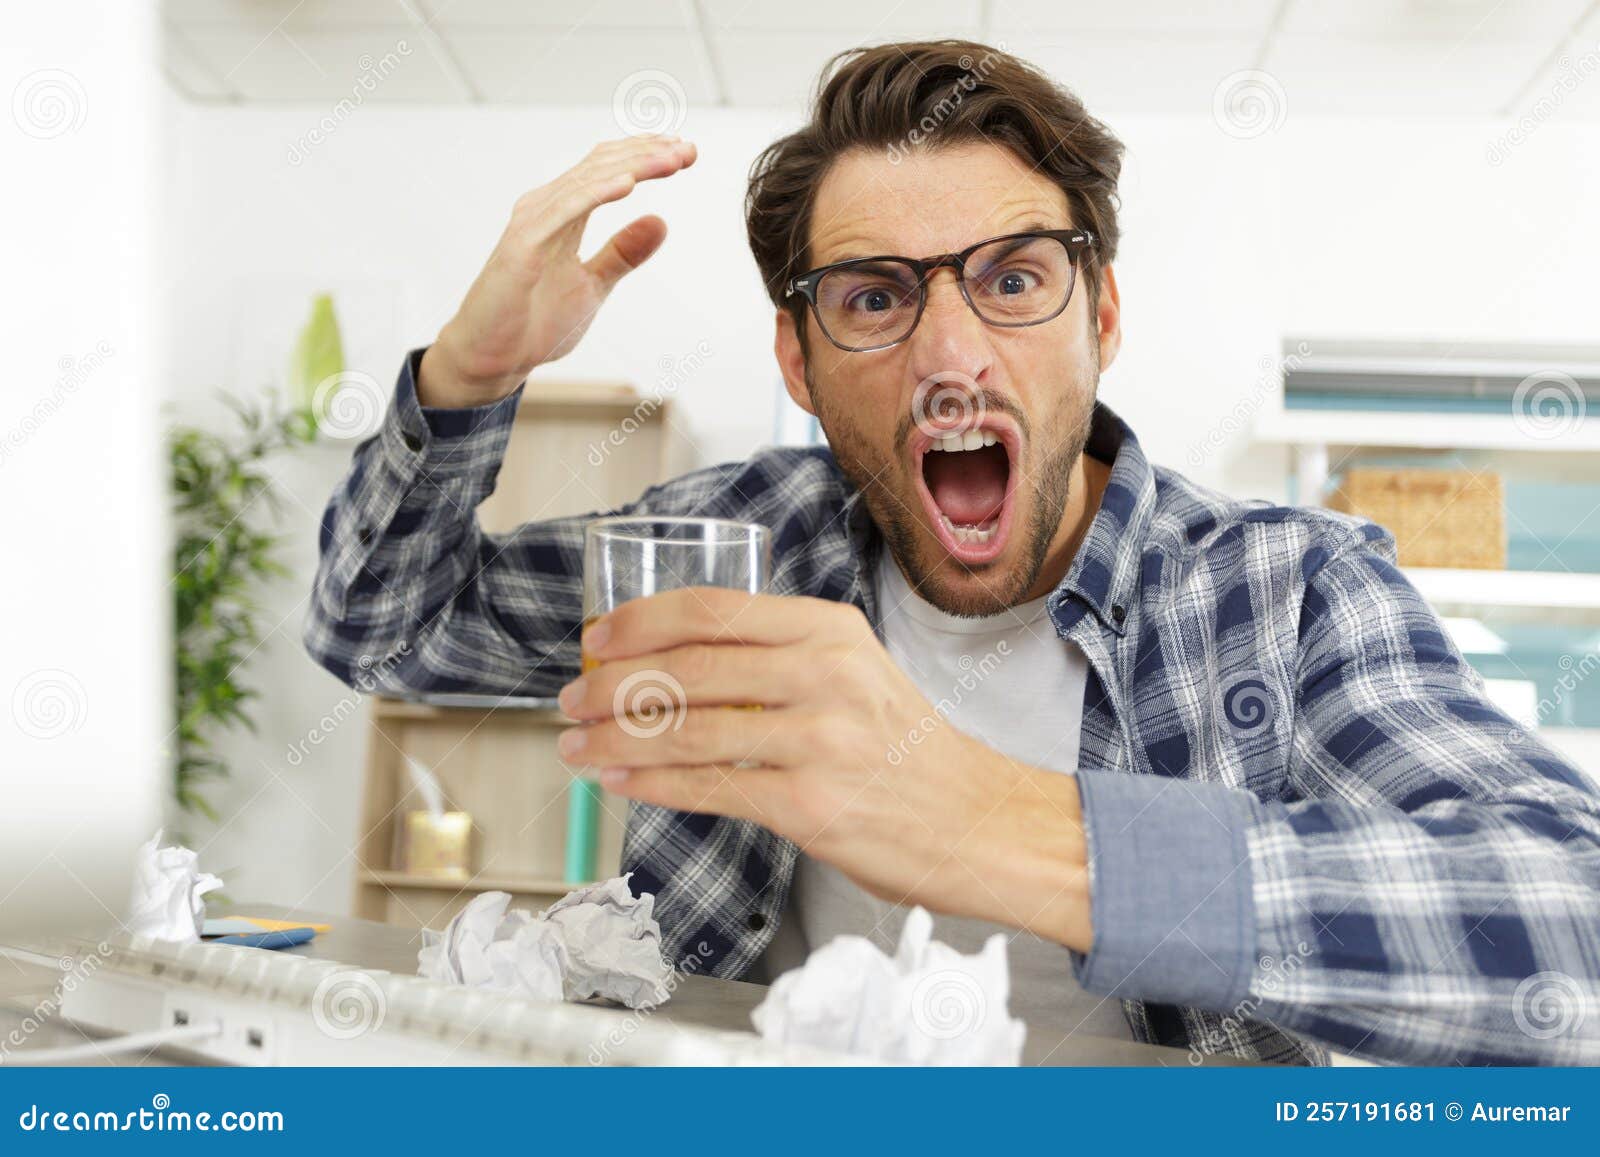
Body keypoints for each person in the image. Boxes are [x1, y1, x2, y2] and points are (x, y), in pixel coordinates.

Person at [305, 41, 1600, 1065]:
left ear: (1101, 314)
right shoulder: (735, 540)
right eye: (874, 297)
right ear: (798, 361)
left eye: (1014, 280)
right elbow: (385, 634)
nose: (951, 358)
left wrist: (993, 822)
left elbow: (1571, 925)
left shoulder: (1285, 591)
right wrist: (468, 379)